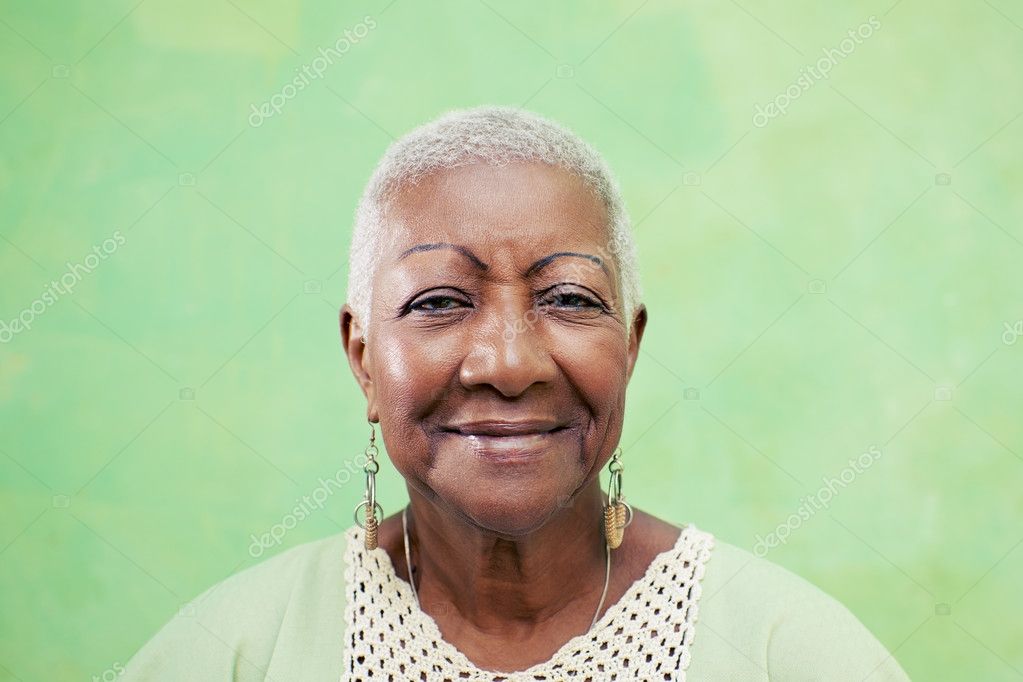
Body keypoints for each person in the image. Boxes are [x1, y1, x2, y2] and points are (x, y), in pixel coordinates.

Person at [122, 106, 910, 680]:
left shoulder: (786, 650)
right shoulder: (233, 651)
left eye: (568, 298)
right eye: (439, 301)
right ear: (364, 360)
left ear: (628, 349)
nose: (508, 363)